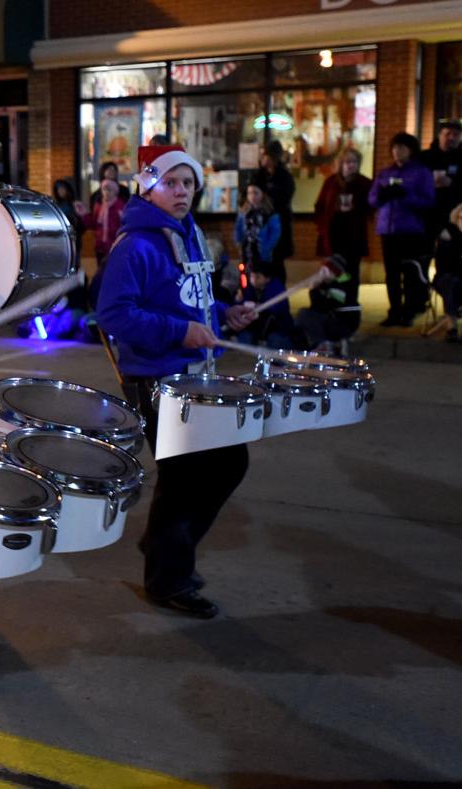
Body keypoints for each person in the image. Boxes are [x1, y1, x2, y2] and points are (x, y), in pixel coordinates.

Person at [96, 145, 257, 619]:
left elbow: (190, 303)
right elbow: (113, 314)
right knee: (184, 479)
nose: (182, 191)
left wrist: (226, 315)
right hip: (155, 379)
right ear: (148, 185)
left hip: (194, 373)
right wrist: (180, 332)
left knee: (227, 463)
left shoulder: (188, 236)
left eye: (188, 183)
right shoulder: (136, 245)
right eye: (171, 183)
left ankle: (166, 548)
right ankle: (168, 579)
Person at [369, 132, 436, 326]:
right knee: (391, 273)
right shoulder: (385, 173)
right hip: (388, 230)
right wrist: (383, 196)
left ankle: (409, 310)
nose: (397, 151)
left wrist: (405, 196)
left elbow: (428, 200)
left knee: (409, 273)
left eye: (402, 148)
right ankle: (394, 311)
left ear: (411, 150)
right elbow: (372, 199)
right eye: (395, 148)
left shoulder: (420, 172)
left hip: (410, 229)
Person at [313, 148, 373, 307]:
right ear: (340, 164)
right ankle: (332, 303)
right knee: (332, 271)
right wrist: (321, 226)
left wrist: (357, 207)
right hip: (333, 235)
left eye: (353, 162)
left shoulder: (364, 183)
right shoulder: (331, 182)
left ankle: (349, 304)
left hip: (353, 235)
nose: (350, 165)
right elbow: (319, 206)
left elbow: (371, 208)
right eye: (347, 162)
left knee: (351, 272)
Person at [75, 178, 127, 306]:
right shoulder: (99, 206)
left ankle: (116, 300)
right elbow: (93, 224)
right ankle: (105, 300)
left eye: (109, 189)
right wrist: (84, 214)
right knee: (102, 275)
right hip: (100, 247)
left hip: (114, 247)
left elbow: (124, 225)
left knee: (115, 274)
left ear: (115, 191)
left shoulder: (120, 206)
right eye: (104, 189)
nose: (106, 192)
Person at [251, 139, 295, 279]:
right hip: (259, 225)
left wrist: (266, 199)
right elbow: (249, 192)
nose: (262, 158)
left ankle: (277, 293)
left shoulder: (284, 176)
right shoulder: (260, 175)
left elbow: (283, 198)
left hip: (277, 226)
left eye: (265, 155)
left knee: (277, 263)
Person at [419, 118, 462, 242]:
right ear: (440, 135)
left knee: (453, 255)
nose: (451, 138)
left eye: (455, 135)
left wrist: (452, 183)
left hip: (455, 214)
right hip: (427, 213)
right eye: (447, 134)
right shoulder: (424, 157)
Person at [236, 259, 294, 349]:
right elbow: (242, 303)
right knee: (244, 337)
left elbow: (277, 309)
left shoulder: (277, 288)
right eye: (252, 276)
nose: (253, 280)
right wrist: (239, 301)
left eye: (258, 277)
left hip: (276, 328)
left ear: (268, 278)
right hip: (254, 326)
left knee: (275, 341)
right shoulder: (250, 288)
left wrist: (258, 306)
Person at [433, 201, 462, 341]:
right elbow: (444, 263)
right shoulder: (447, 236)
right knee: (451, 282)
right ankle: (451, 325)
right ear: (456, 219)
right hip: (447, 277)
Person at [234, 184, 281, 275]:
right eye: (249, 193)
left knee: (262, 277)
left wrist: (266, 248)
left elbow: (275, 234)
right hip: (247, 252)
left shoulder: (270, 213)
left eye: (255, 193)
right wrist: (239, 243)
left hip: (263, 254)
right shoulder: (243, 212)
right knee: (246, 278)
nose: (252, 196)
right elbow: (238, 229)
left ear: (262, 194)